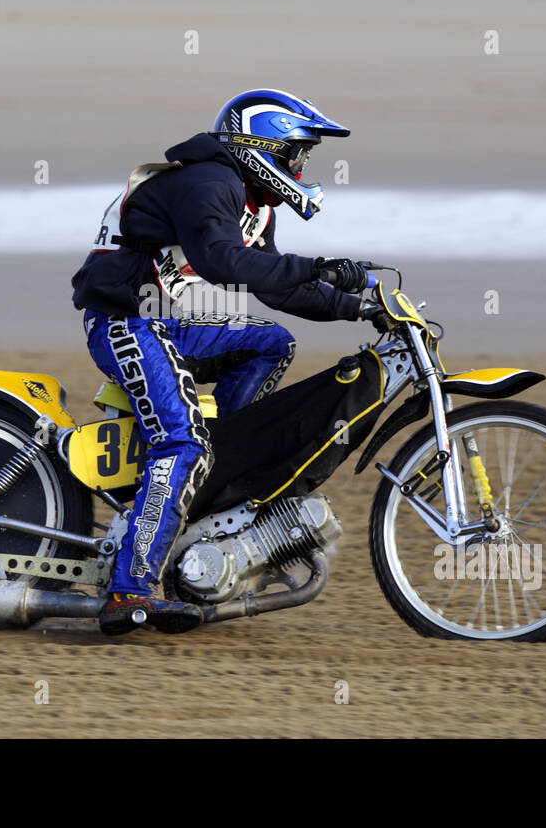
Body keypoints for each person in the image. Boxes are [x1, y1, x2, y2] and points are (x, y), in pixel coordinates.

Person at [70, 88, 381, 636]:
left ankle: (221, 474)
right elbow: (221, 261)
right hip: (126, 322)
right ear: (260, 147)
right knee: (182, 441)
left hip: (170, 323)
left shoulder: (251, 201)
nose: (302, 166)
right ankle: (130, 587)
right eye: (295, 154)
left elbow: (274, 284)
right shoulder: (209, 182)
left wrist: (358, 307)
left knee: (270, 342)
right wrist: (319, 268)